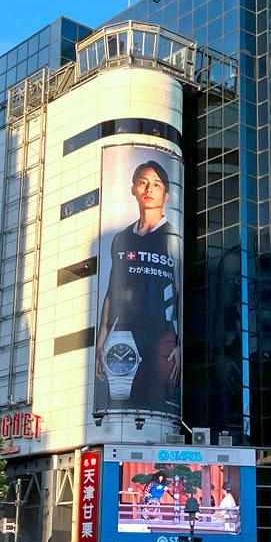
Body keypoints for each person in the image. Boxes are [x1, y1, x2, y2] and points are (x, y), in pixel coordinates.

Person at [94, 158, 181, 414]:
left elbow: (181, 292)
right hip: (124, 334)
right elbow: (112, 292)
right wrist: (101, 340)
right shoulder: (122, 238)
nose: (149, 189)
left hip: (159, 335)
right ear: (133, 189)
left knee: (153, 406)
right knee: (121, 406)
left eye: (156, 184)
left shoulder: (172, 237)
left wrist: (180, 343)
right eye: (143, 183)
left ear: (166, 194)